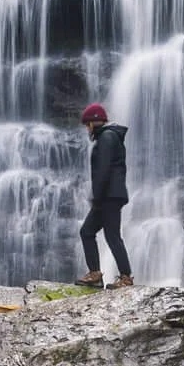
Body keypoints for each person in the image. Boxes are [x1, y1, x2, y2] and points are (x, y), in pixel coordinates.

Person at [76, 102, 133, 288]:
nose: (87, 128)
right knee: (89, 232)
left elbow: (104, 169)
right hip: (109, 195)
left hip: (109, 196)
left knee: (111, 236)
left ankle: (124, 277)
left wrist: (97, 197)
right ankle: (97, 275)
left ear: (93, 122)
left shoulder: (108, 137)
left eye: (87, 124)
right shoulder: (108, 137)